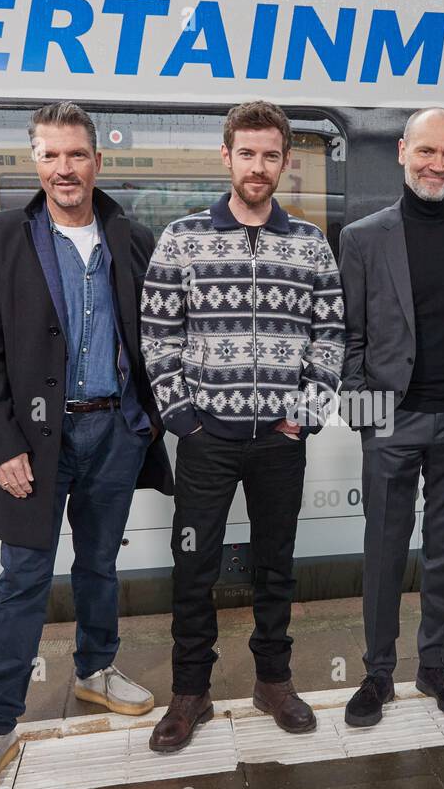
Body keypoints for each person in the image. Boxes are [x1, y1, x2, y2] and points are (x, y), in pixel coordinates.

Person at [0, 102, 173, 789]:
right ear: (35, 162)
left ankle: (95, 669)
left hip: (114, 432)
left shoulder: (130, 237)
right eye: (50, 156)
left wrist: (151, 420)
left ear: (97, 161)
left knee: (100, 563)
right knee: (22, 579)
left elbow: (156, 335)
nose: (63, 168)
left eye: (75, 155)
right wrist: (0, 445)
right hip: (34, 445)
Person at [140, 100, 345, 753]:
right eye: (247, 153)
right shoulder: (182, 238)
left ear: (285, 161)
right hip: (208, 442)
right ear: (226, 157)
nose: (259, 167)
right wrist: (182, 419)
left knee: (275, 565)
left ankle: (273, 682)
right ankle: (190, 692)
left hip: (278, 444)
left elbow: (331, 337)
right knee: (193, 566)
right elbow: (157, 334)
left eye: (271, 155)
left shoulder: (310, 244)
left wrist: (304, 417)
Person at [337, 108, 444, 728]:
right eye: (427, 152)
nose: (438, 165)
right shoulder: (362, 237)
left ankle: (433, 664)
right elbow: (349, 340)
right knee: (383, 550)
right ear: (402, 151)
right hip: (392, 421)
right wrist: (367, 420)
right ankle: (376, 672)